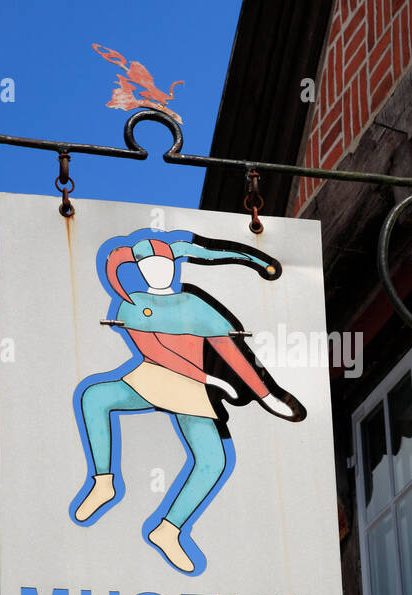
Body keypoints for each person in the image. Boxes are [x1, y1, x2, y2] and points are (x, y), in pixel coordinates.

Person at [71, 232, 303, 575]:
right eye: (148, 265)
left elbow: (232, 353)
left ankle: (168, 529)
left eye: (164, 263)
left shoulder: (195, 306)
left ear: (175, 264)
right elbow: (156, 354)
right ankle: (103, 481)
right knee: (95, 397)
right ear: (137, 269)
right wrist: (211, 380)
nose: (158, 271)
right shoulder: (131, 304)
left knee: (213, 460)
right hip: (153, 377)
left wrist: (268, 396)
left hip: (190, 391)